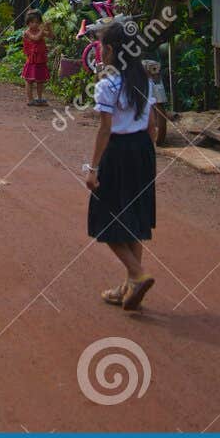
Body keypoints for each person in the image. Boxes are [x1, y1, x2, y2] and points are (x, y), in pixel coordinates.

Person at [85, 20, 163, 311]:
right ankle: (130, 287)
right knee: (134, 217)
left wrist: (93, 168)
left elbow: (105, 129)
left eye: (101, 46)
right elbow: (152, 124)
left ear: (108, 50)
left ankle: (137, 273)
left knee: (105, 218)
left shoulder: (108, 84)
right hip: (142, 150)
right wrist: (146, 155)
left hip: (117, 151)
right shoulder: (144, 79)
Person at [22, 11, 50, 107]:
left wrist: (49, 27)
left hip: (41, 59)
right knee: (29, 80)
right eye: (32, 22)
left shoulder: (39, 30)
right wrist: (42, 30)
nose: (35, 24)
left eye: (37, 22)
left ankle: (39, 98)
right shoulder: (27, 32)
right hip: (32, 59)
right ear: (28, 23)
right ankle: (30, 99)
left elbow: (51, 36)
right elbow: (36, 38)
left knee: (40, 80)